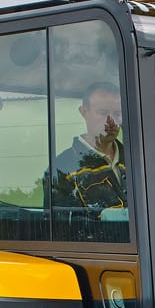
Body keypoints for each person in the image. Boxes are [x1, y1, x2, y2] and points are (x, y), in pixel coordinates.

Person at [53, 82, 128, 212]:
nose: (111, 121)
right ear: (84, 112)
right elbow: (64, 228)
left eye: (117, 114)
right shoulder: (62, 169)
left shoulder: (139, 160)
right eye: (103, 113)